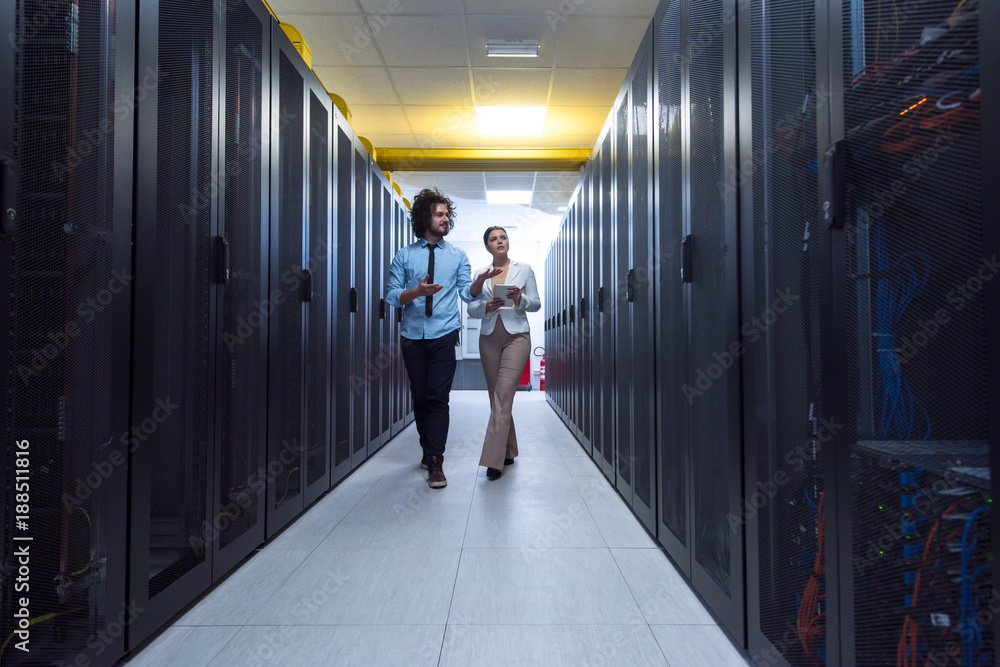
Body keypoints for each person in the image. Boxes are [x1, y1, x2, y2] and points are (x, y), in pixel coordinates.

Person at [385, 188, 500, 488]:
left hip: (444, 334)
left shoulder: (457, 256)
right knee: (421, 397)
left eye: (447, 214)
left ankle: (436, 460)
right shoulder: (404, 255)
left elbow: (465, 293)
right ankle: (427, 448)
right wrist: (417, 292)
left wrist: (479, 281)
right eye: (439, 214)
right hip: (412, 335)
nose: (445, 219)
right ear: (425, 217)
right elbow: (392, 296)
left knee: (438, 397)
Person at [466, 226, 541, 480]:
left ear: (508, 242)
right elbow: (470, 309)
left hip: (517, 336)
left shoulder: (525, 269)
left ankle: (493, 460)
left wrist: (520, 299)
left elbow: (536, 303)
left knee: (503, 394)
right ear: (487, 247)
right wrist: (486, 306)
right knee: (495, 396)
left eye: (503, 237)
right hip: (488, 336)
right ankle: (508, 450)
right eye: (493, 239)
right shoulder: (481, 274)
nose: (500, 241)